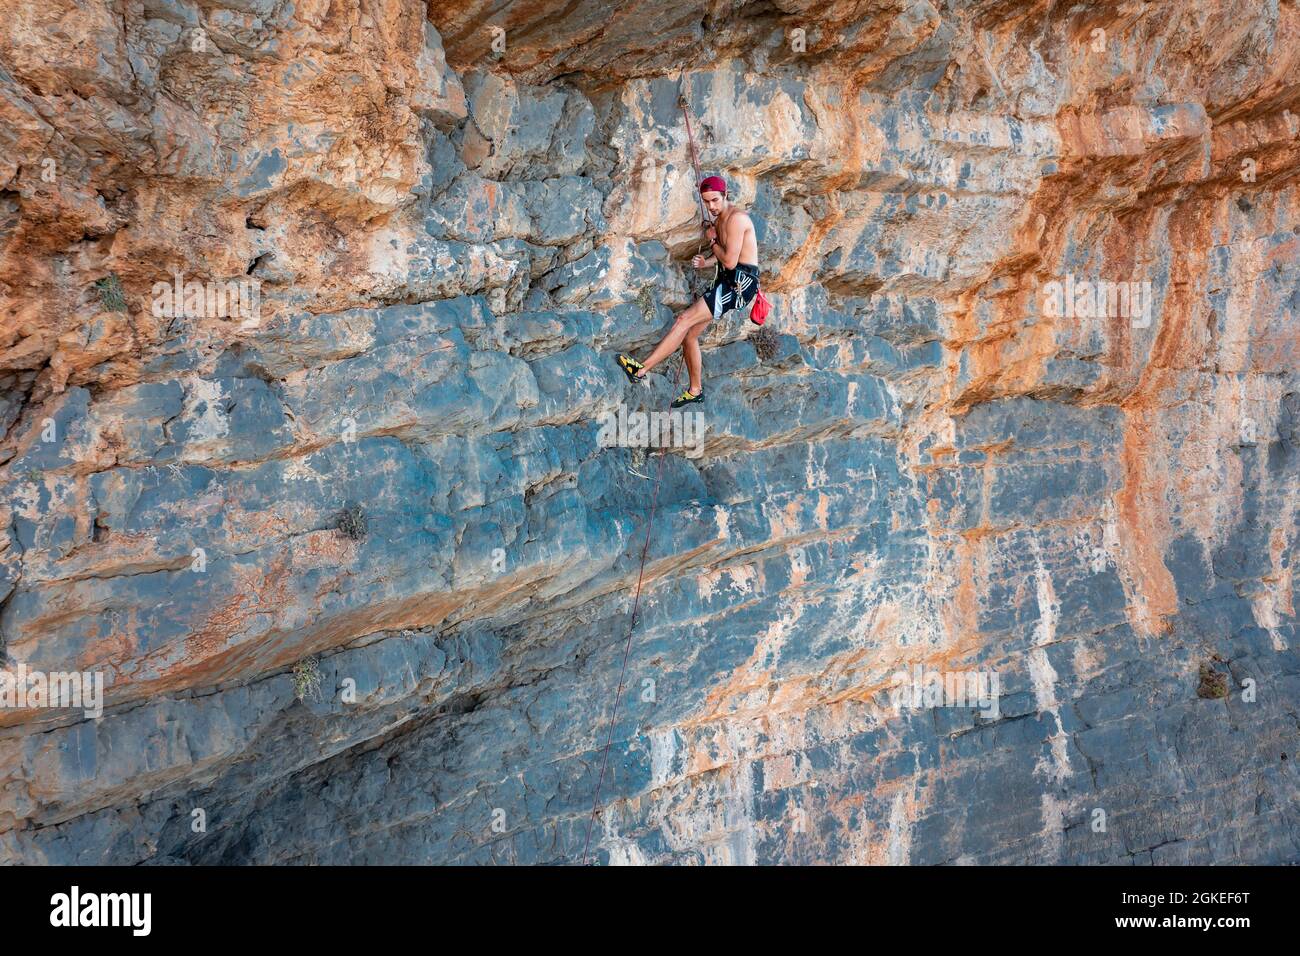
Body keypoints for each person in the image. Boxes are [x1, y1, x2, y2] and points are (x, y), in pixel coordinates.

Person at [617, 175, 760, 407]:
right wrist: (707, 261)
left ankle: (641, 370)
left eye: (715, 200)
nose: (711, 206)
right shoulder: (720, 219)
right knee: (690, 335)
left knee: (683, 320)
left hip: (739, 285)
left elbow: (733, 261)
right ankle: (695, 390)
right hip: (728, 280)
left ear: (726, 195)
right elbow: (727, 255)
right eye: (707, 202)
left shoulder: (736, 220)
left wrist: (712, 242)